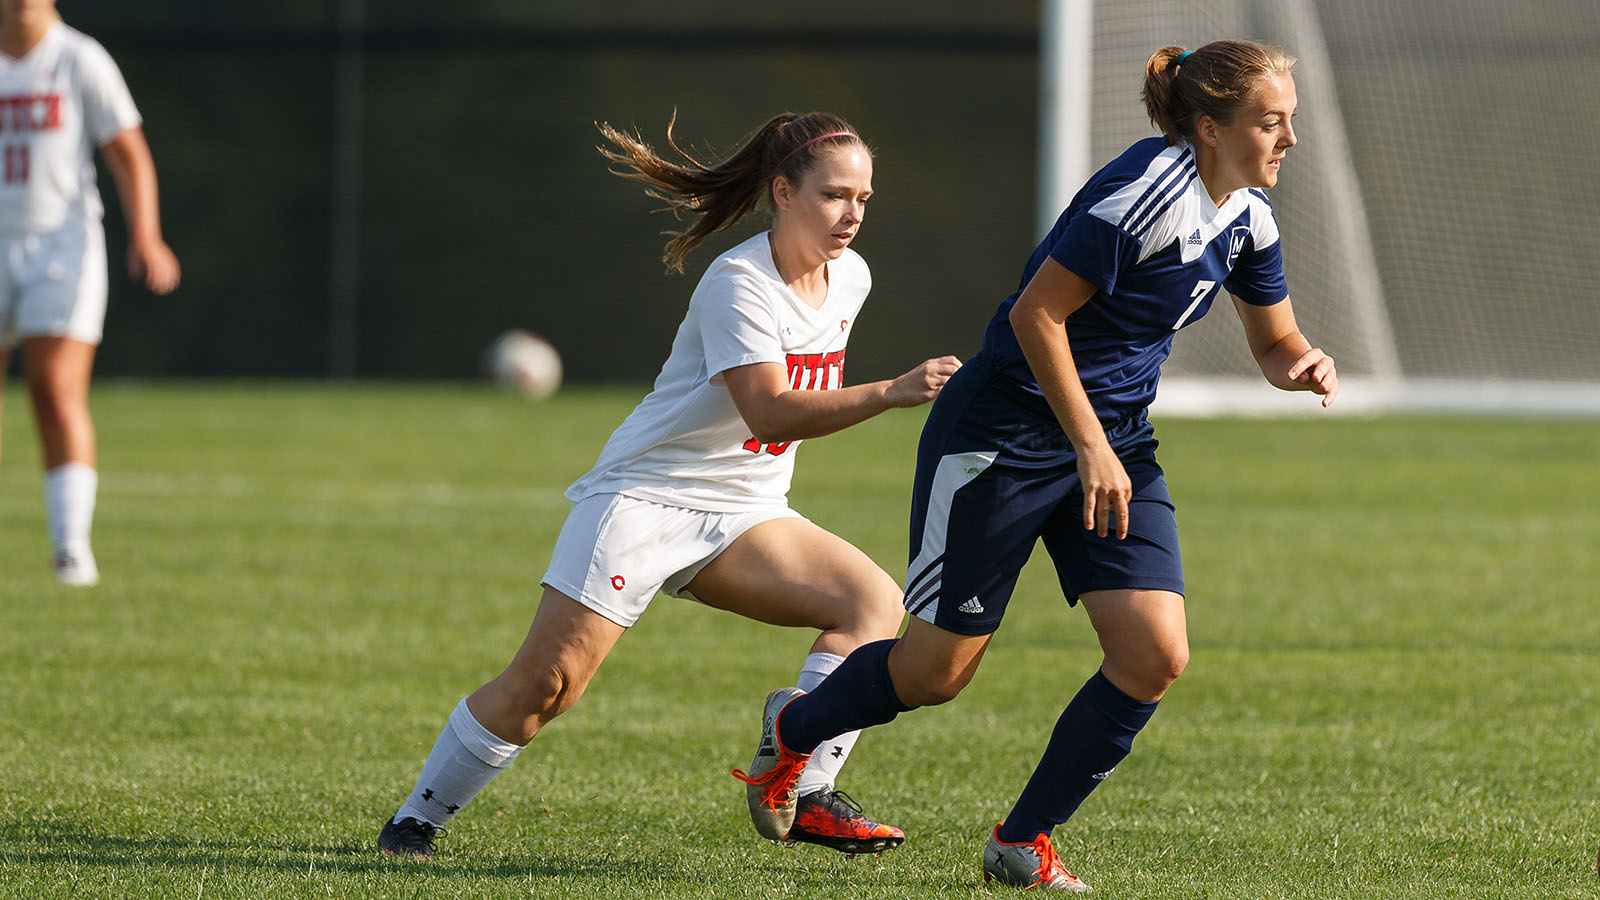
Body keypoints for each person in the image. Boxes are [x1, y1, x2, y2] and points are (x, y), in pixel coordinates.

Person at [733, 41, 1338, 891]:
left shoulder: (1247, 218)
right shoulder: (1146, 195)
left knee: (1154, 655)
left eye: (1290, 122)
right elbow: (1035, 316)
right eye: (1271, 122)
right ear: (1208, 127)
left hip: (1112, 440)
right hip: (1004, 437)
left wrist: (1302, 360)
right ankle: (796, 730)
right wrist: (1088, 444)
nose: (1289, 139)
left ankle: (1022, 841)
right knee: (933, 673)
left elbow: (1273, 342)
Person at [376, 110, 962, 860]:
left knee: (873, 604)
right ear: (782, 193)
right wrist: (889, 391)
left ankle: (801, 785)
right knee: (547, 686)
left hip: (746, 509)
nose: (851, 214)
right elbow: (770, 408)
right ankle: (414, 823)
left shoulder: (852, 276)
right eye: (833, 195)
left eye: (864, 198)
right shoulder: (738, 282)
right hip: (645, 498)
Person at [0, 0, 181, 587]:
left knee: (54, 393)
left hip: (60, 247)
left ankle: (69, 548)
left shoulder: (79, 59)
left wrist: (147, 237)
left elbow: (129, 153)